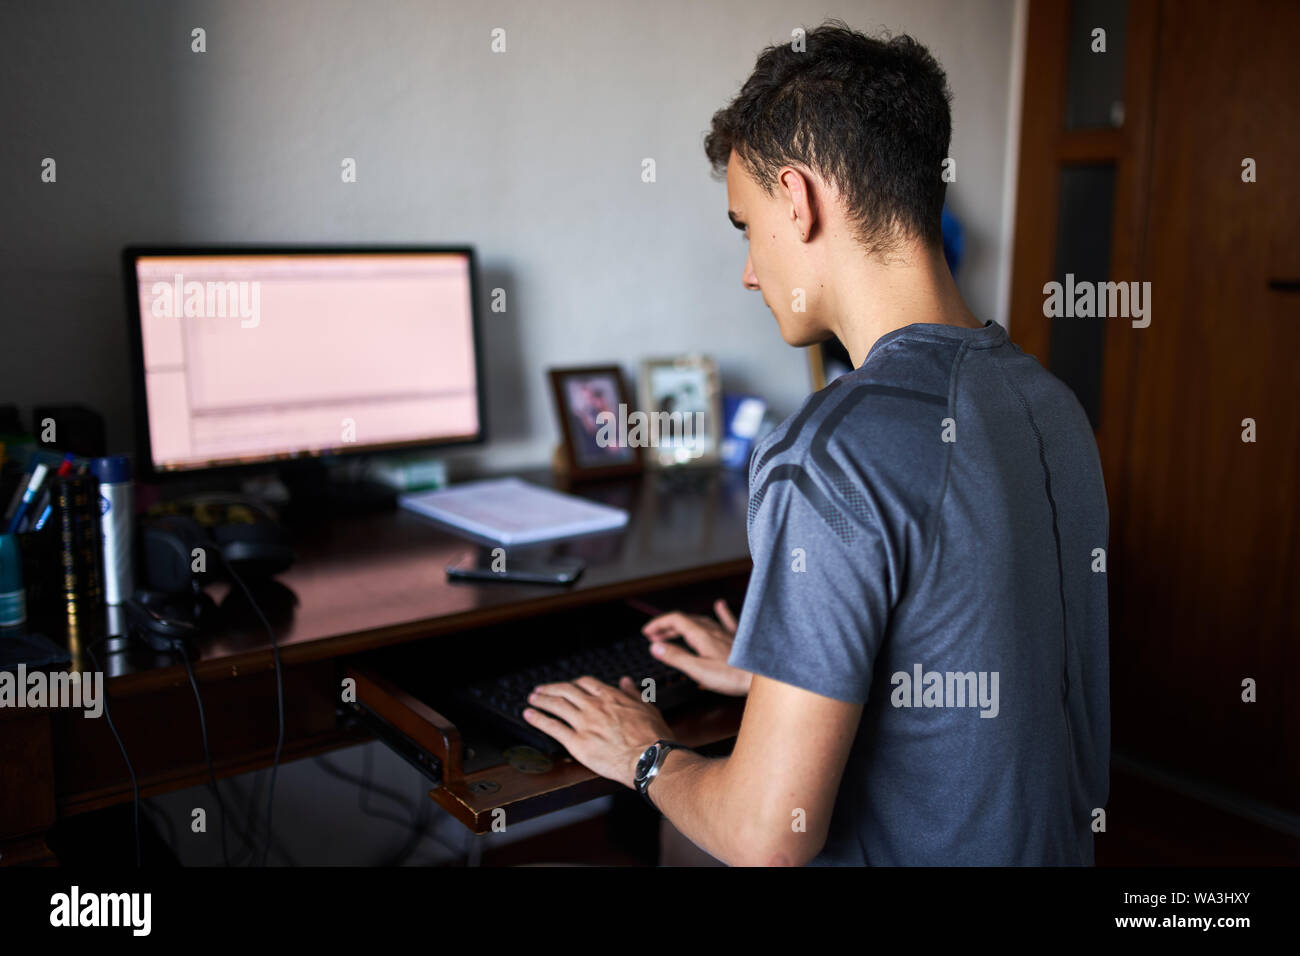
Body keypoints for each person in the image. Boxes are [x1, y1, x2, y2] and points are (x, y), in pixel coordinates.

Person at [522, 21, 1109, 866]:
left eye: (744, 225)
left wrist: (643, 753)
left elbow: (768, 838)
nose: (752, 271)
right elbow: (972, 668)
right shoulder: (1047, 401)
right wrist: (774, 676)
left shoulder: (832, 449)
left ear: (796, 200)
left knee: (667, 820)